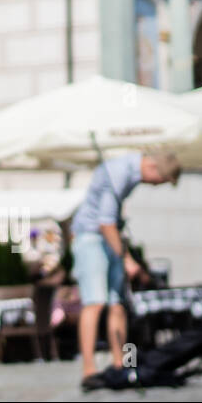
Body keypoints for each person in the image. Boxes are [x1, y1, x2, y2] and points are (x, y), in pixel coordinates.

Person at [71, 148, 181, 390]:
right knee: (95, 302)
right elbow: (105, 221)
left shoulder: (129, 174)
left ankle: (120, 364)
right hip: (90, 238)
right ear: (152, 168)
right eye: (159, 182)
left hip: (108, 239)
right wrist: (128, 259)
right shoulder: (119, 172)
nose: (155, 186)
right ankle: (89, 371)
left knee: (117, 304)